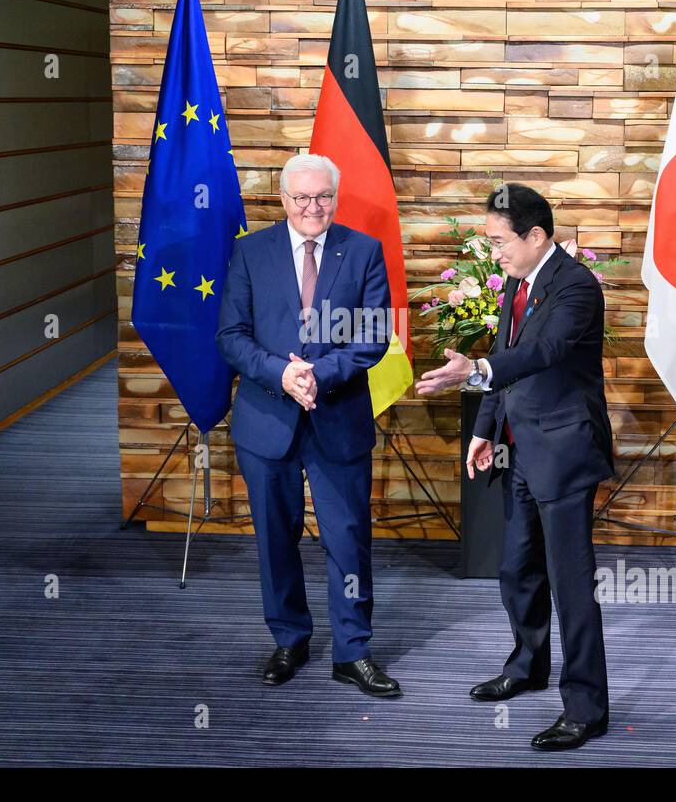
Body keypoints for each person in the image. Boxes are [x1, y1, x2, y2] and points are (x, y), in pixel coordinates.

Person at [416, 183, 616, 749]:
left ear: (536, 236)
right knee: (518, 568)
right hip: (520, 445)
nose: (494, 253)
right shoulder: (517, 284)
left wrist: (473, 369)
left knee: (571, 582)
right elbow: (513, 366)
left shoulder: (575, 287)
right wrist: (484, 431)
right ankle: (528, 664)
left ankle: (586, 706)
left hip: (565, 450)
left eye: (501, 242)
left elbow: (541, 354)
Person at [216, 153, 401, 697]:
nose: (313, 207)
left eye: (323, 197)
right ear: (283, 200)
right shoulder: (251, 251)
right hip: (267, 419)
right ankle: (290, 639)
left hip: (337, 417)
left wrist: (317, 376)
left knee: (348, 539)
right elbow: (231, 335)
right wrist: (282, 375)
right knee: (277, 537)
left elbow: (371, 338)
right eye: (302, 198)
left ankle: (353, 651)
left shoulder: (363, 252)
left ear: (335, 199)